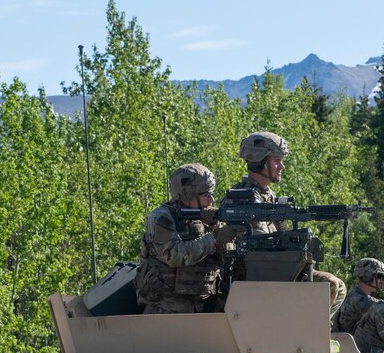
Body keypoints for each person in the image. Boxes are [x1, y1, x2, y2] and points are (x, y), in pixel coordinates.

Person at [223, 131, 346, 320]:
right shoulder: (241, 197)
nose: (282, 166)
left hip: (276, 270)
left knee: (337, 286)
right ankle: (305, 331)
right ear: (259, 161)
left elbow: (282, 237)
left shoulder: (269, 197)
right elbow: (251, 246)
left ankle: (311, 329)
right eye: (276, 161)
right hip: (254, 277)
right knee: (329, 284)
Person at [135, 163, 240, 314]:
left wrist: (223, 234)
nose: (211, 200)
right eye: (205, 195)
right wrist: (214, 239)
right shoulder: (161, 217)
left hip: (203, 307)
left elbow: (229, 258)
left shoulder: (208, 218)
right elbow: (174, 255)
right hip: (165, 309)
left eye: (212, 194)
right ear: (186, 194)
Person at [335, 257, 384, 333]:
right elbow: (382, 308)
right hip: (350, 342)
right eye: (379, 276)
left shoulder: (356, 294)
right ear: (367, 277)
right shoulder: (356, 298)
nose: (381, 281)